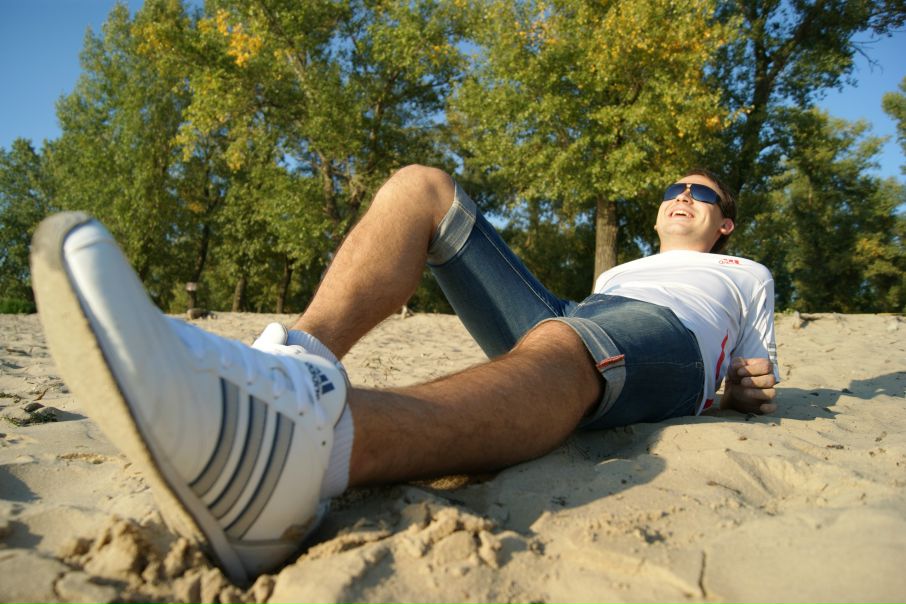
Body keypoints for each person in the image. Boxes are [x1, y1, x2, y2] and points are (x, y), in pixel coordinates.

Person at [29, 165, 779, 586]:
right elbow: (580, 317)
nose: (683, 197)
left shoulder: (745, 274)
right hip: (586, 312)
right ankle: (293, 362)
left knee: (568, 341)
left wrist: (743, 388)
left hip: (669, 338)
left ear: (726, 225)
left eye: (703, 194)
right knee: (422, 187)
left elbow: (757, 373)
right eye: (674, 190)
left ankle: (310, 448)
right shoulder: (623, 267)